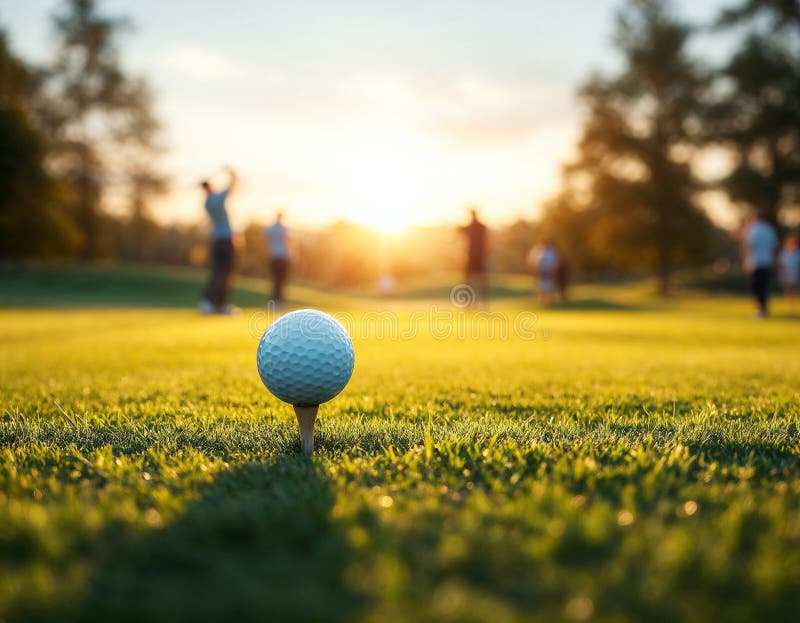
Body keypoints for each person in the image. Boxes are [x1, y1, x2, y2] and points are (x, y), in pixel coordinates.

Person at [198, 167, 238, 315]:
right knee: (226, 274)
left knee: (217, 272)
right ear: (209, 187)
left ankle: (208, 302)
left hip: (217, 241)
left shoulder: (207, 203)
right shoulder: (216, 199)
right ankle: (218, 304)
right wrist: (231, 173)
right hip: (226, 241)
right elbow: (232, 186)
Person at [742, 210, 778, 318]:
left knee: (756, 287)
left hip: (756, 262)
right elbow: (774, 247)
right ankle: (764, 309)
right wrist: (774, 261)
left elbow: (749, 246)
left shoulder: (752, 229)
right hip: (767, 262)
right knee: (764, 287)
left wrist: (747, 261)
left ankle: (760, 310)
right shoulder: (769, 229)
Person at [458, 208, 488, 304]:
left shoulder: (472, 227)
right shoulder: (481, 226)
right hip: (477, 257)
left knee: (471, 281)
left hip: (474, 257)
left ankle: (470, 302)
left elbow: (459, 230)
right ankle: (478, 302)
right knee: (473, 281)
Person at [263, 212, 290, 307]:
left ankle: (275, 301)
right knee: (281, 280)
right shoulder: (285, 229)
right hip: (283, 257)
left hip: (273, 256)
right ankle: (278, 301)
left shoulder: (270, 229)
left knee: (275, 280)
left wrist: (268, 255)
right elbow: (289, 242)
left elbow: (266, 242)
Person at [528, 240, 559, 306]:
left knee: (549, 288)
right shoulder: (538, 251)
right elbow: (534, 262)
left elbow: (555, 263)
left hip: (549, 273)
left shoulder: (552, 252)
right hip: (541, 273)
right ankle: (543, 302)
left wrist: (552, 269)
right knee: (541, 288)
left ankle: (549, 302)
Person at [778, 233, 799, 314]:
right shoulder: (784, 253)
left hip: (795, 275)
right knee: (788, 290)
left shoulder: (798, 253)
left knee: (794, 290)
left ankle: (792, 306)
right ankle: (791, 305)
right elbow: (781, 264)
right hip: (786, 275)